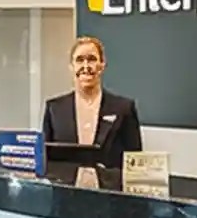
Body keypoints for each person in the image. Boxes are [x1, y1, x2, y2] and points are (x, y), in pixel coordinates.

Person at [42, 36, 143, 168]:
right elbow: (44, 159)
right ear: (71, 67)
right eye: (79, 60)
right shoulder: (54, 109)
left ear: (102, 65)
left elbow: (135, 163)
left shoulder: (124, 108)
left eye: (91, 59)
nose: (85, 66)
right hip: (65, 187)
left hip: (110, 187)